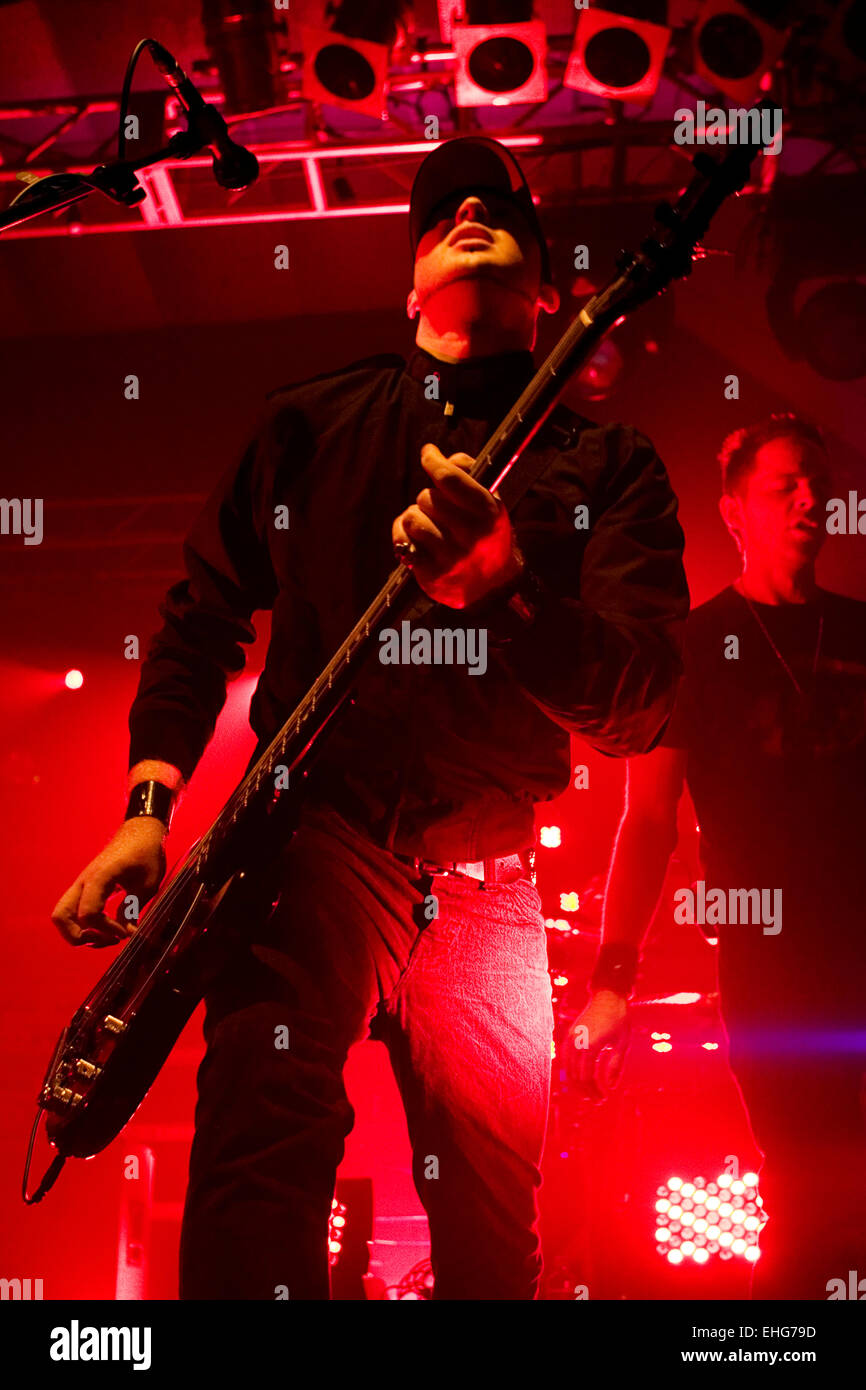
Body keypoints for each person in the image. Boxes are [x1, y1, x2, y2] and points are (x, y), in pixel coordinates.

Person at [51, 136, 688, 1300]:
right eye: (441, 210)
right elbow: (199, 617)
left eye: (499, 210)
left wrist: (509, 593)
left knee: (494, 1224)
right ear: (408, 289)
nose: (468, 210)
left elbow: (640, 701)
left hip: (488, 876)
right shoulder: (308, 423)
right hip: (308, 845)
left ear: (545, 290)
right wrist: (148, 805)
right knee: (260, 1161)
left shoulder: (611, 466)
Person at [574, 414, 866, 1299]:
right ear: (734, 513)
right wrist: (612, 979)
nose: (812, 498)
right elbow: (648, 823)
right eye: (786, 484)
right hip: (773, 969)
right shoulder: (691, 653)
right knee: (815, 1192)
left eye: (818, 481)